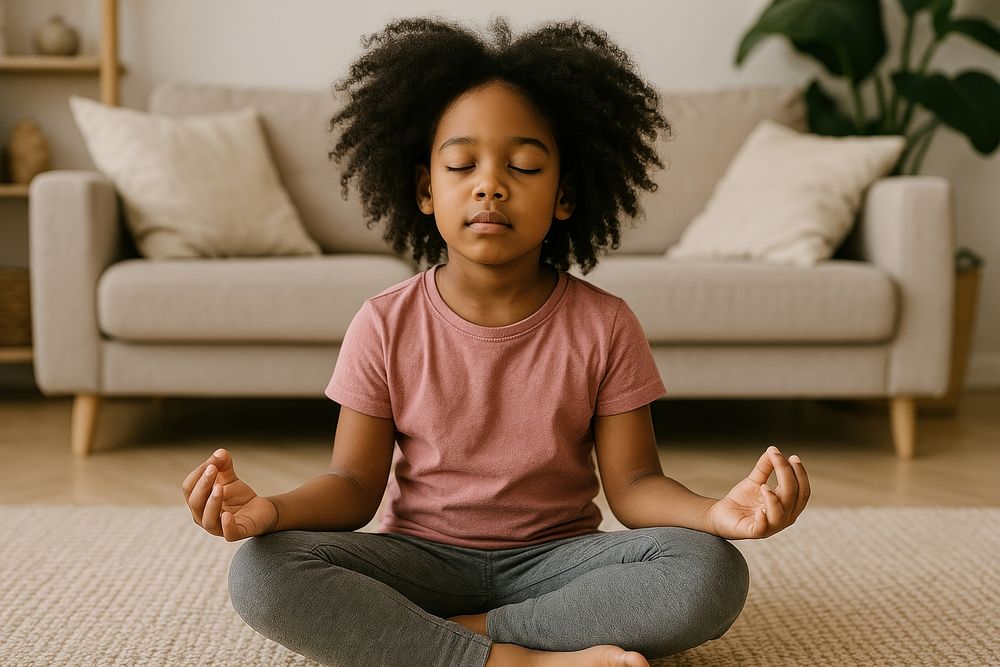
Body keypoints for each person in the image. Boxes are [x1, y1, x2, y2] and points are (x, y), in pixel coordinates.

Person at [181, 15, 811, 667]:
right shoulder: (383, 322)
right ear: (426, 189)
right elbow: (352, 484)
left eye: (525, 165)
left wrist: (716, 513)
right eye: (461, 164)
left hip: (559, 562)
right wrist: (270, 511)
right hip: (419, 561)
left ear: (564, 195)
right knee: (262, 569)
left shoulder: (606, 323)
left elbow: (634, 485)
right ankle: (522, 659)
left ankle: (453, 637)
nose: (490, 184)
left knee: (710, 570)